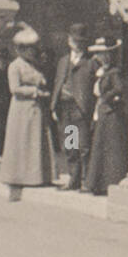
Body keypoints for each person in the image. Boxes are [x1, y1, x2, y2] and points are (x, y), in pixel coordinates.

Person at [0, 25, 54, 196]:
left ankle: (36, 176)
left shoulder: (34, 65)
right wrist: (35, 91)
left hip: (36, 109)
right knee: (22, 140)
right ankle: (19, 176)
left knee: (35, 140)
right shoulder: (15, 66)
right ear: (21, 49)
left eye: (33, 49)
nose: (32, 52)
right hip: (21, 109)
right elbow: (14, 88)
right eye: (29, 49)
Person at [49, 22, 95, 191]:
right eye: (75, 41)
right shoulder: (63, 61)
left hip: (80, 109)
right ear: (69, 41)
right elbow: (57, 83)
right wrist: (54, 106)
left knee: (83, 146)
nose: (78, 44)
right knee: (70, 145)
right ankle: (73, 179)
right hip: (65, 109)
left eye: (81, 41)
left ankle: (86, 181)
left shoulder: (91, 62)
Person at [84, 36, 128, 195]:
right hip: (98, 112)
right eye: (99, 54)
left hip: (109, 114)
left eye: (103, 53)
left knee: (107, 148)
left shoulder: (113, 72)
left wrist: (105, 96)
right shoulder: (102, 71)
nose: (100, 57)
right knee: (91, 147)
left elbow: (119, 88)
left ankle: (104, 182)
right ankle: (93, 182)